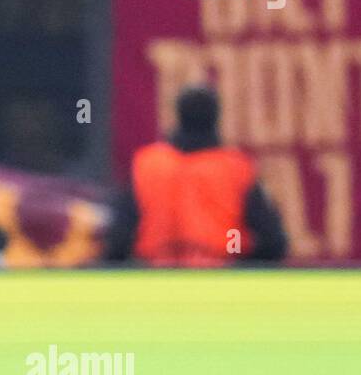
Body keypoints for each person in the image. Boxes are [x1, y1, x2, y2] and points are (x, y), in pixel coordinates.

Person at [104, 84, 288, 265]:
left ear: (178, 116)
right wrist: (241, 264)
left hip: (156, 278)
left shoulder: (148, 165)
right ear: (216, 118)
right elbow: (273, 242)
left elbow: (119, 240)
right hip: (219, 279)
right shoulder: (235, 168)